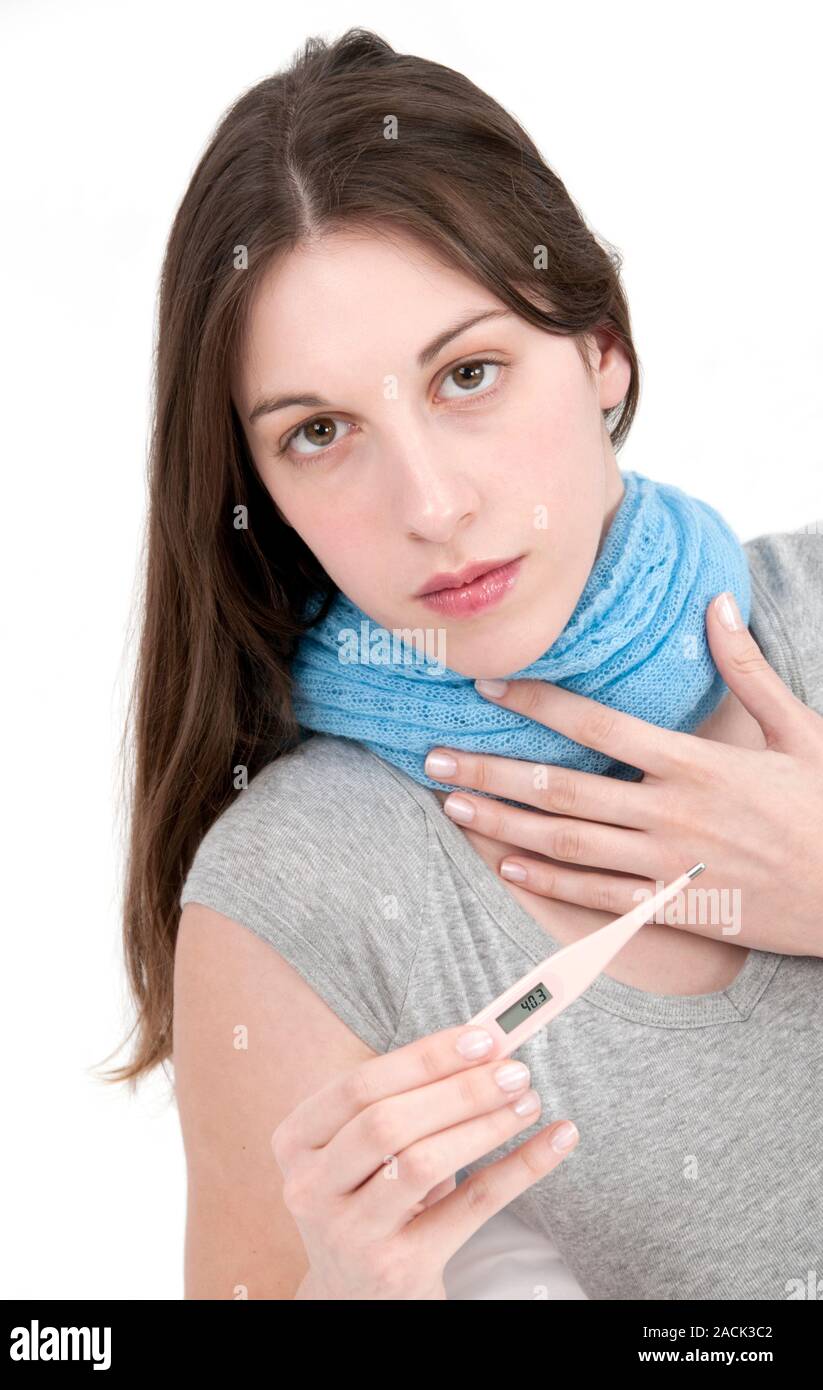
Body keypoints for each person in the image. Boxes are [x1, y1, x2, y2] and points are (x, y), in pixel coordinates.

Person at [109, 28, 823, 1299]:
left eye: (468, 373)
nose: (429, 504)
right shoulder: (297, 889)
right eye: (319, 431)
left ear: (600, 350)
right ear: (258, 490)